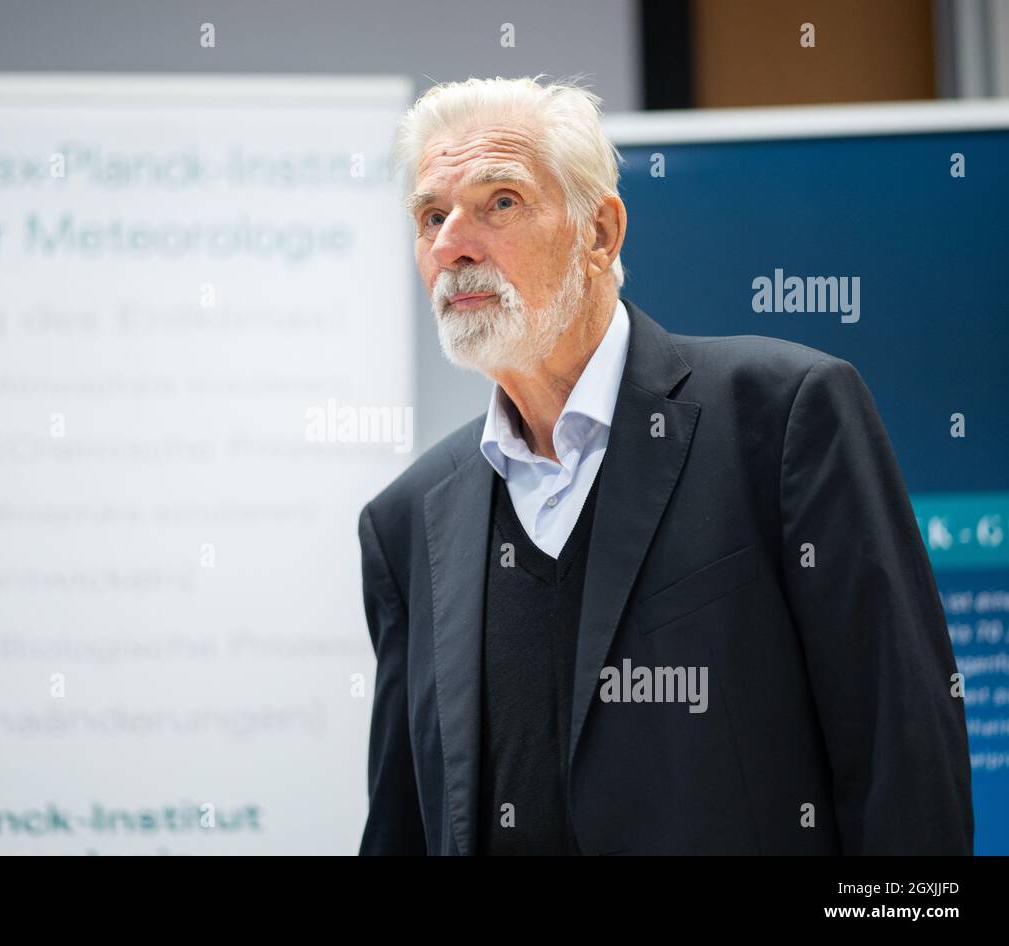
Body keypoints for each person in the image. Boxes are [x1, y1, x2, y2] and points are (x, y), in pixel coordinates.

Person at [357, 75, 973, 855]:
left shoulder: (781, 417)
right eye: (431, 216)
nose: (451, 245)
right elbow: (403, 829)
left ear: (600, 234)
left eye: (500, 201)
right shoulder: (406, 522)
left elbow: (901, 754)